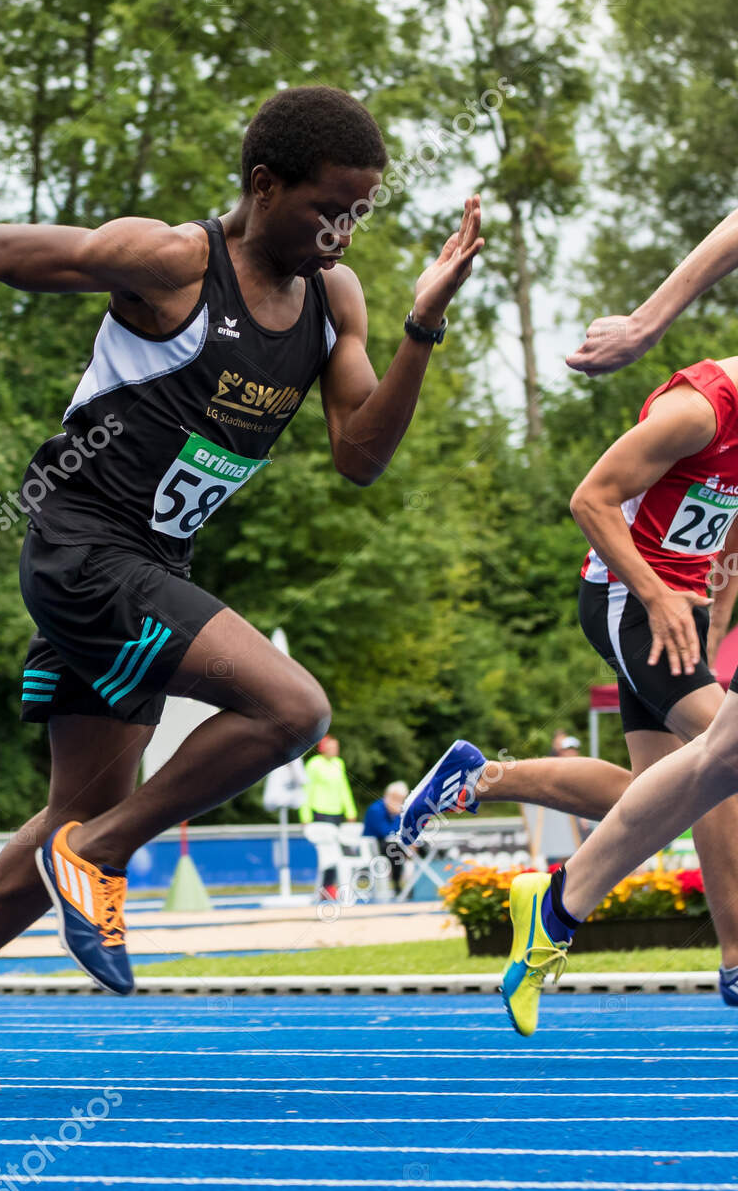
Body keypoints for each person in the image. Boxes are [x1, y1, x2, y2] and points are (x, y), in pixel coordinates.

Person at [0, 86, 483, 1090]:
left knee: (71, 817)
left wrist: (420, 328)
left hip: (154, 568)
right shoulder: (173, 263)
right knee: (291, 707)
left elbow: (359, 456)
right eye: (327, 206)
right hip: (83, 548)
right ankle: (107, 856)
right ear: (262, 186)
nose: (342, 229)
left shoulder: (335, 301)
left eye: (361, 212)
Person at [396, 357, 738, 1021]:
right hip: (628, 600)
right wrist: (656, 596)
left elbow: (728, 535)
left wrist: (711, 621)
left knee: (661, 791)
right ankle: (734, 960)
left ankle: (480, 779)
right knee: (722, 762)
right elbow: (590, 498)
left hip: (680, 612)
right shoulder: (701, 409)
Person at [362, 780, 409, 897]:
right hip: (375, 845)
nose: (399, 802)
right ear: (389, 796)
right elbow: (385, 832)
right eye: (397, 799)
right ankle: (397, 884)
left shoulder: (397, 810)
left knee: (416, 847)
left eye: (401, 799)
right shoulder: (376, 809)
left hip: (391, 843)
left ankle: (417, 885)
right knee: (396, 850)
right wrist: (397, 814)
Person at [299, 734, 358, 825]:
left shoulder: (339, 763)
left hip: (337, 812)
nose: (336, 749)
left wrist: (351, 812)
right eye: (332, 747)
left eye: (336, 747)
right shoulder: (314, 764)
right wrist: (305, 816)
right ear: (324, 748)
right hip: (319, 812)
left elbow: (344, 789)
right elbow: (306, 790)